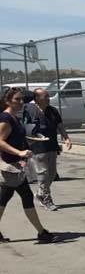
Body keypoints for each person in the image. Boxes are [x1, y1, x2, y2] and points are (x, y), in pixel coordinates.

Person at [0, 87, 55, 243]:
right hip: (10, 166)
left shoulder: (14, 117)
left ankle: (42, 232)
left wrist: (31, 141)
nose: (21, 102)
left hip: (16, 166)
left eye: (22, 99)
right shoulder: (6, 118)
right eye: (17, 99)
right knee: (24, 197)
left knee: (5, 199)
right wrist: (19, 152)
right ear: (8, 101)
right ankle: (41, 232)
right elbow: (0, 141)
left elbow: (14, 139)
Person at [23, 87, 72, 210]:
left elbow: (60, 126)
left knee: (51, 174)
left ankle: (40, 194)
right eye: (45, 96)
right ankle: (47, 199)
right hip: (38, 146)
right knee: (43, 173)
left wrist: (66, 138)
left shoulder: (53, 111)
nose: (48, 98)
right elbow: (26, 127)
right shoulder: (30, 110)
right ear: (37, 98)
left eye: (48, 96)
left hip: (52, 145)